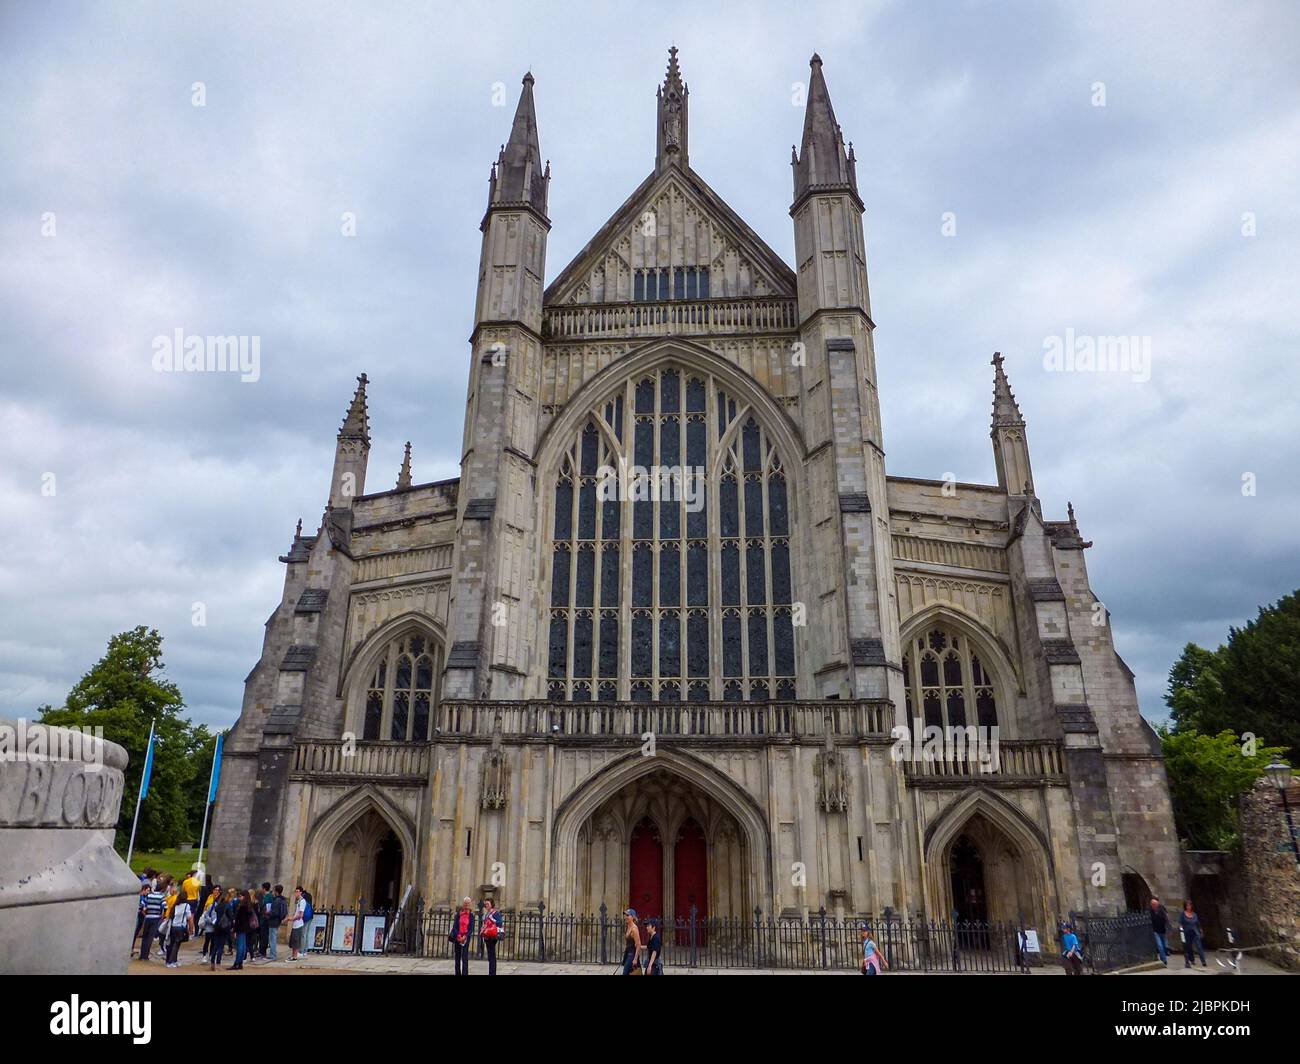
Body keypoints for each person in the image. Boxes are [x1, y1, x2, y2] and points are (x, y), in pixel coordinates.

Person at [165, 890, 196, 968]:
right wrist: (191, 929)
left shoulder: (175, 905)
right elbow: (190, 919)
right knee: (176, 945)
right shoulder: (186, 906)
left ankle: (171, 960)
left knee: (171, 944)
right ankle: (171, 961)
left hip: (173, 927)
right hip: (181, 927)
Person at [138, 880, 166, 962]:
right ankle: (145, 956)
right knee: (150, 937)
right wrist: (162, 915)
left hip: (147, 917)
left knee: (145, 937)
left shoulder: (149, 895)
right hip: (155, 918)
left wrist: (145, 913)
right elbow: (165, 907)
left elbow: (143, 905)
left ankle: (142, 955)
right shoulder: (161, 897)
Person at [209, 888, 236, 970]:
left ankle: (212, 963)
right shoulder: (228, 905)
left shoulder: (219, 905)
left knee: (215, 945)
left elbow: (216, 911)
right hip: (224, 926)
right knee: (221, 946)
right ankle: (218, 963)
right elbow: (231, 916)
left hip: (217, 925)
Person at [448, 897, 475, 975]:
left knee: (464, 957)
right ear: (463, 904)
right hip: (458, 937)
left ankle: (465, 973)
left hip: (466, 938)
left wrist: (465, 936)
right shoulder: (458, 914)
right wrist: (459, 936)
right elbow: (455, 926)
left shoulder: (471, 915)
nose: (467, 904)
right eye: (465, 903)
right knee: (457, 957)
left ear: (470, 904)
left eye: (468, 903)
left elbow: (471, 928)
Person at [1179, 900, 1207, 968]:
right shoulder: (1183, 914)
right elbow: (1180, 923)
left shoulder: (1194, 914)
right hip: (1187, 932)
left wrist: (1201, 930)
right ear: (1185, 906)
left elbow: (1198, 923)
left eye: (1190, 905)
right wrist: (1181, 929)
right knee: (1189, 947)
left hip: (1195, 932)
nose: (1189, 907)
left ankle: (1203, 961)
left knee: (1199, 946)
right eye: (1187, 905)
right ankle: (1191, 960)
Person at [481, 898, 503, 976]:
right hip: (487, 936)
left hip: (493, 936)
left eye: (488, 904)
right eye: (485, 904)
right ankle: (491, 972)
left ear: (491, 905)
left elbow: (500, 923)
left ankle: (492, 973)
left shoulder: (495, 913)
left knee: (492, 956)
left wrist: (492, 919)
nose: (486, 905)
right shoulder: (486, 914)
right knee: (490, 956)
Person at [268, 885, 288, 961]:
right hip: (278, 920)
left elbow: (274, 912)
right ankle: (273, 954)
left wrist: (268, 912)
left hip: (273, 921)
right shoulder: (282, 900)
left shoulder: (276, 900)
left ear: (276, 891)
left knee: (272, 939)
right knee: (273, 937)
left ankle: (273, 955)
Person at [288, 886, 307, 961]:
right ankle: (293, 955)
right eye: (295, 891)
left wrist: (292, 918)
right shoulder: (298, 901)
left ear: (300, 892)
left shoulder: (302, 901)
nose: (296, 893)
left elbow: (301, 915)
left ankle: (295, 956)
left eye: (297, 891)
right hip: (295, 924)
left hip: (299, 924)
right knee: (293, 941)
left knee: (296, 941)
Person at [1149, 896, 1169, 966]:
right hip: (1155, 931)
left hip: (1163, 930)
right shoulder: (1150, 911)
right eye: (1152, 904)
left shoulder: (1161, 909)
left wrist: (1167, 926)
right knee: (1160, 946)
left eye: (1154, 904)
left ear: (1157, 904)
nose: (1153, 906)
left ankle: (1163, 957)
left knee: (1164, 946)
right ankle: (1164, 960)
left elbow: (1166, 917)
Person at [620, 908, 642, 975]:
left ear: (633, 917)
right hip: (628, 952)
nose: (625, 917)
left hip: (632, 954)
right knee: (630, 972)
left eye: (628, 915)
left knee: (625, 972)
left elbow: (638, 945)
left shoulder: (634, 929)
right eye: (625, 915)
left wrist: (635, 959)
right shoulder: (628, 926)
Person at [258, 882, 273, 958]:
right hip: (262, 918)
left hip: (265, 918)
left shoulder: (269, 896)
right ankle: (260, 950)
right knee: (261, 935)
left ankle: (263, 951)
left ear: (264, 888)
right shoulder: (265, 896)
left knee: (264, 935)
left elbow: (267, 907)